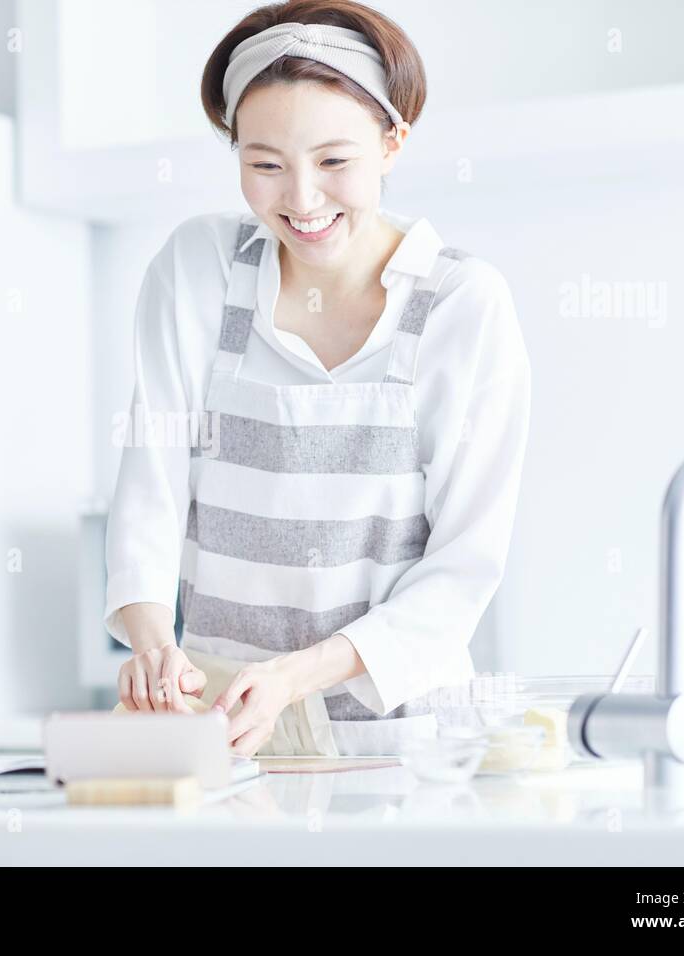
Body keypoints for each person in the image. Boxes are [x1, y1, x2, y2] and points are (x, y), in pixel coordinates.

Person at [105, 0, 531, 757]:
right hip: (222, 729)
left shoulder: (462, 306)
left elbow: (461, 569)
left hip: (406, 743)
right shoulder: (197, 270)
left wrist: (295, 677)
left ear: (393, 141)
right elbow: (151, 487)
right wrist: (149, 644)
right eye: (264, 165)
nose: (301, 200)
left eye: (334, 161)